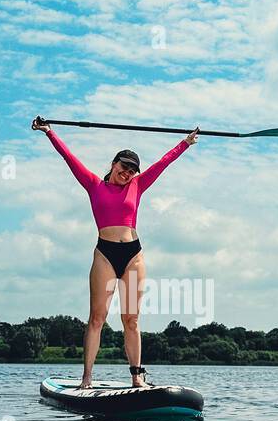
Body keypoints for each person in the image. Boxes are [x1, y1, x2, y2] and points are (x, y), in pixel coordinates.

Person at [32, 117, 199, 387]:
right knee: (97, 318)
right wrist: (48, 132)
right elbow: (68, 157)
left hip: (133, 254)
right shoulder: (93, 185)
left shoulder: (138, 185)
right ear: (113, 164)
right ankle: (86, 378)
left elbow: (163, 163)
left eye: (132, 170)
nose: (128, 173)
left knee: (131, 319)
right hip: (105, 254)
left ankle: (137, 376)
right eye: (124, 167)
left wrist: (186, 143)